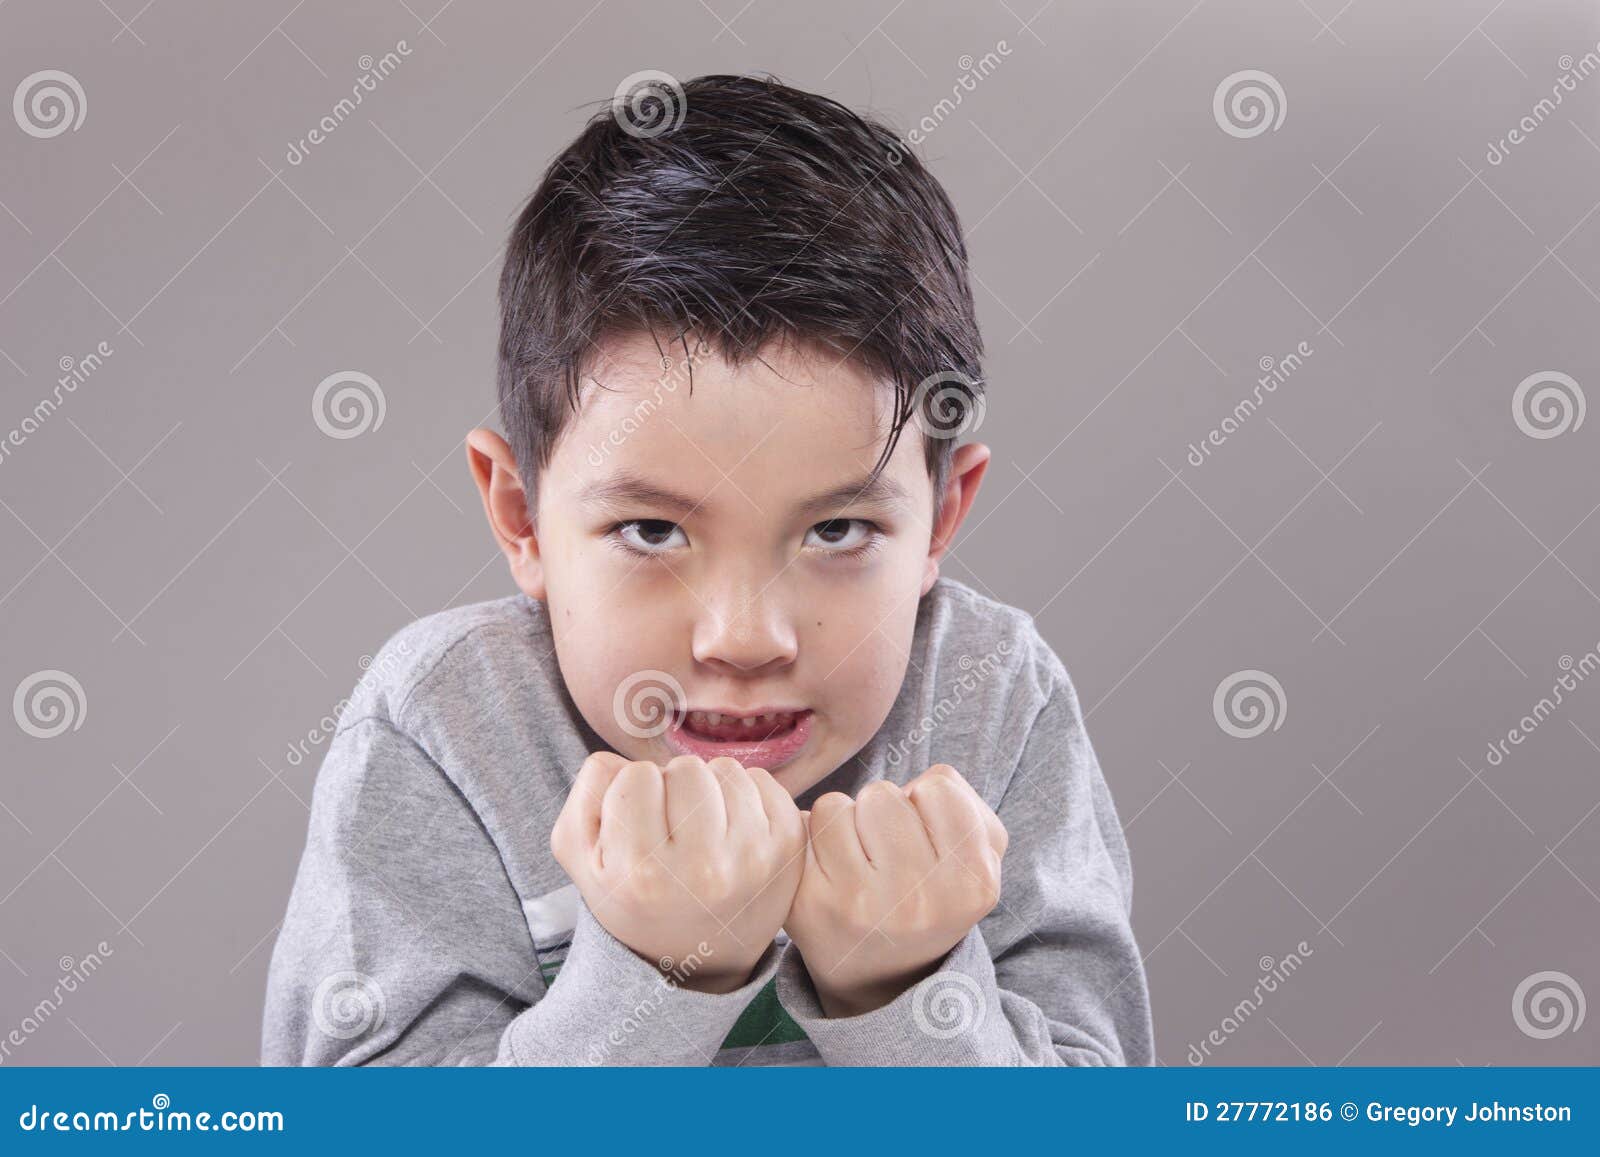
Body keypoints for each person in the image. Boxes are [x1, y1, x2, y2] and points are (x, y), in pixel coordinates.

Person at [261, 73, 1153, 1066]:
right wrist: (660, 972)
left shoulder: (996, 698)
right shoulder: (444, 725)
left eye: (837, 531)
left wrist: (903, 990)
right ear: (521, 514)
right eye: (650, 531)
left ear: (941, 515)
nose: (744, 636)